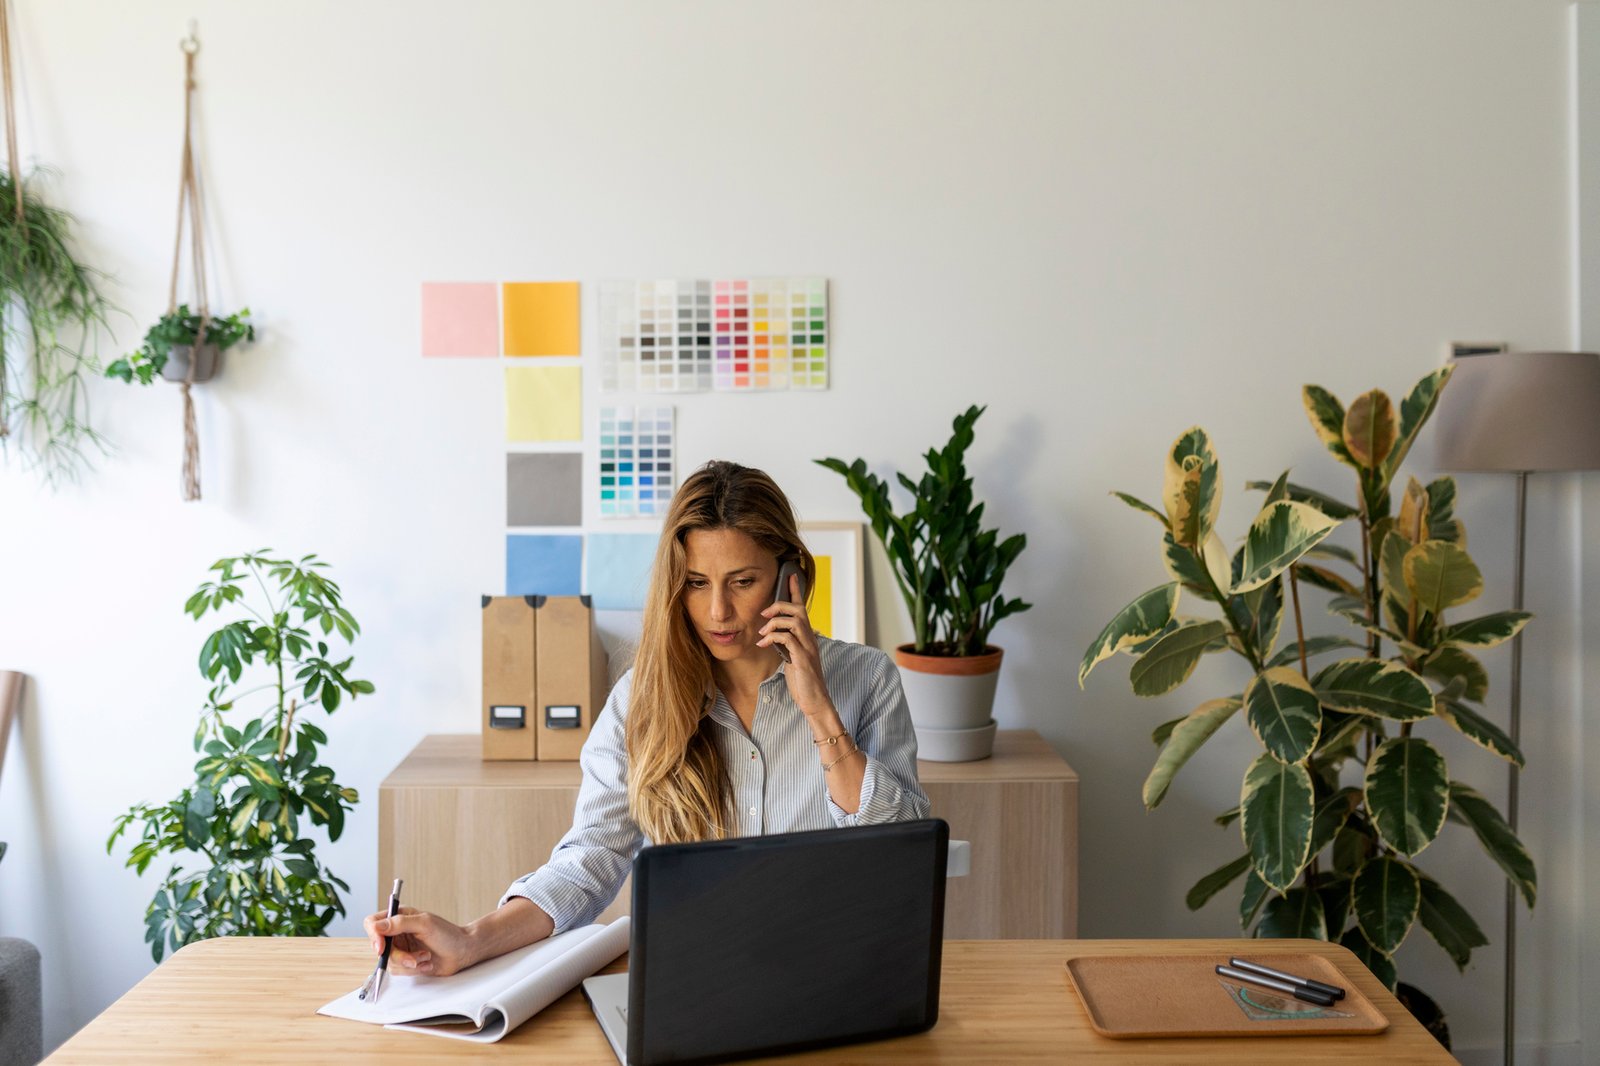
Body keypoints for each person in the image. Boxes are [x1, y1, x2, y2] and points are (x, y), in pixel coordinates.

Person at [365, 460, 929, 975]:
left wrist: (820, 713)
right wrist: (470, 939)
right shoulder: (641, 700)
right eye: (697, 583)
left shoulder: (866, 678)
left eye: (743, 582)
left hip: (833, 969)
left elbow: (901, 855)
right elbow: (591, 857)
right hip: (698, 976)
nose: (718, 612)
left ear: (790, 578)